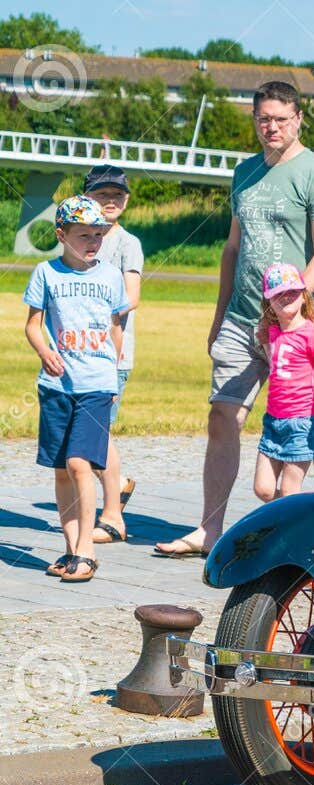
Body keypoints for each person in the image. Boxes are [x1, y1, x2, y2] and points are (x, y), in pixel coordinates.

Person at [155, 80, 314, 558]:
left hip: (298, 324)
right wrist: (219, 316)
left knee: (313, 424)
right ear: (255, 120)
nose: (272, 127)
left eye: (281, 118)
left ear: (299, 118)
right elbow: (233, 248)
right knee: (223, 416)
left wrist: (296, 305)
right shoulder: (244, 173)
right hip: (243, 319)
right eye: (264, 119)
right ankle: (210, 530)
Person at [23, 197, 128, 584]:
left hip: (96, 385)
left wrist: (112, 374)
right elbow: (33, 325)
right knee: (61, 469)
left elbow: (116, 328)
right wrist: (44, 350)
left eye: (99, 235)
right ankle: (71, 549)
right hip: (56, 386)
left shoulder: (111, 277)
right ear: (61, 235)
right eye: (84, 235)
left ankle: (88, 549)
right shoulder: (46, 273)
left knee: (80, 463)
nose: (93, 242)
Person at [81, 164, 142, 546]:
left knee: (98, 432)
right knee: (89, 431)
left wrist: (91, 314)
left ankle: (114, 516)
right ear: (86, 197)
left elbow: (131, 297)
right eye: (102, 194)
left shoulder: (126, 243)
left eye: (117, 194)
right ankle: (115, 484)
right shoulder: (79, 239)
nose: (110, 200)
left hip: (111, 352)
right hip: (78, 352)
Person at [253, 263, 314, 501]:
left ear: (303, 295)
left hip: (303, 423)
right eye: (278, 294)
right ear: (269, 301)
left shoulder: (313, 334)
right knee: (264, 489)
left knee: (289, 490)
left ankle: (291, 527)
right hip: (273, 422)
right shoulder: (271, 332)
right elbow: (275, 365)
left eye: (292, 292)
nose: (286, 297)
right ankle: (302, 512)